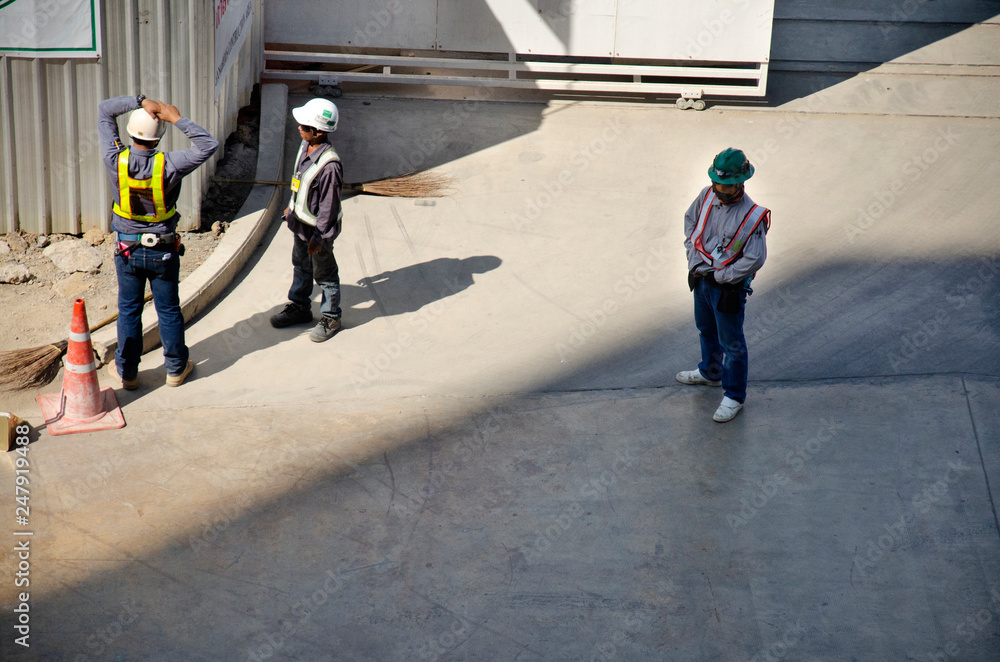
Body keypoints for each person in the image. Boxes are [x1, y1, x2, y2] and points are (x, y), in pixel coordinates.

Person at [98, 94, 219, 390]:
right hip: (162, 250)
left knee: (129, 310)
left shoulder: (115, 159)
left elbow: (104, 111)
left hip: (127, 250)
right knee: (168, 310)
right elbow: (209, 145)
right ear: (159, 136)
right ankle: (176, 369)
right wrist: (175, 118)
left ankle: (127, 373)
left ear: (130, 133)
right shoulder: (170, 164)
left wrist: (140, 100)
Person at [676, 148, 770, 422]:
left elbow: (755, 258)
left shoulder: (751, 217)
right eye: (717, 183)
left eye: (726, 186)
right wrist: (694, 259)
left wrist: (722, 277)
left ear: (740, 182)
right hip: (700, 277)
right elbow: (690, 223)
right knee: (705, 329)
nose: (719, 189)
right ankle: (710, 373)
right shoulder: (706, 196)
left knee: (733, 344)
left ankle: (734, 396)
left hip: (726, 287)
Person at [269, 98, 345, 343]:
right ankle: (300, 307)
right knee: (300, 266)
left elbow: (329, 207)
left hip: (317, 232)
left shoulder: (330, 165)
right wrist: (291, 207)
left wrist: (320, 238)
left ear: (319, 131)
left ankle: (331, 316)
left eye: (304, 126)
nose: (299, 128)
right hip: (300, 224)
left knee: (324, 273)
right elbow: (300, 183)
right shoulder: (306, 146)